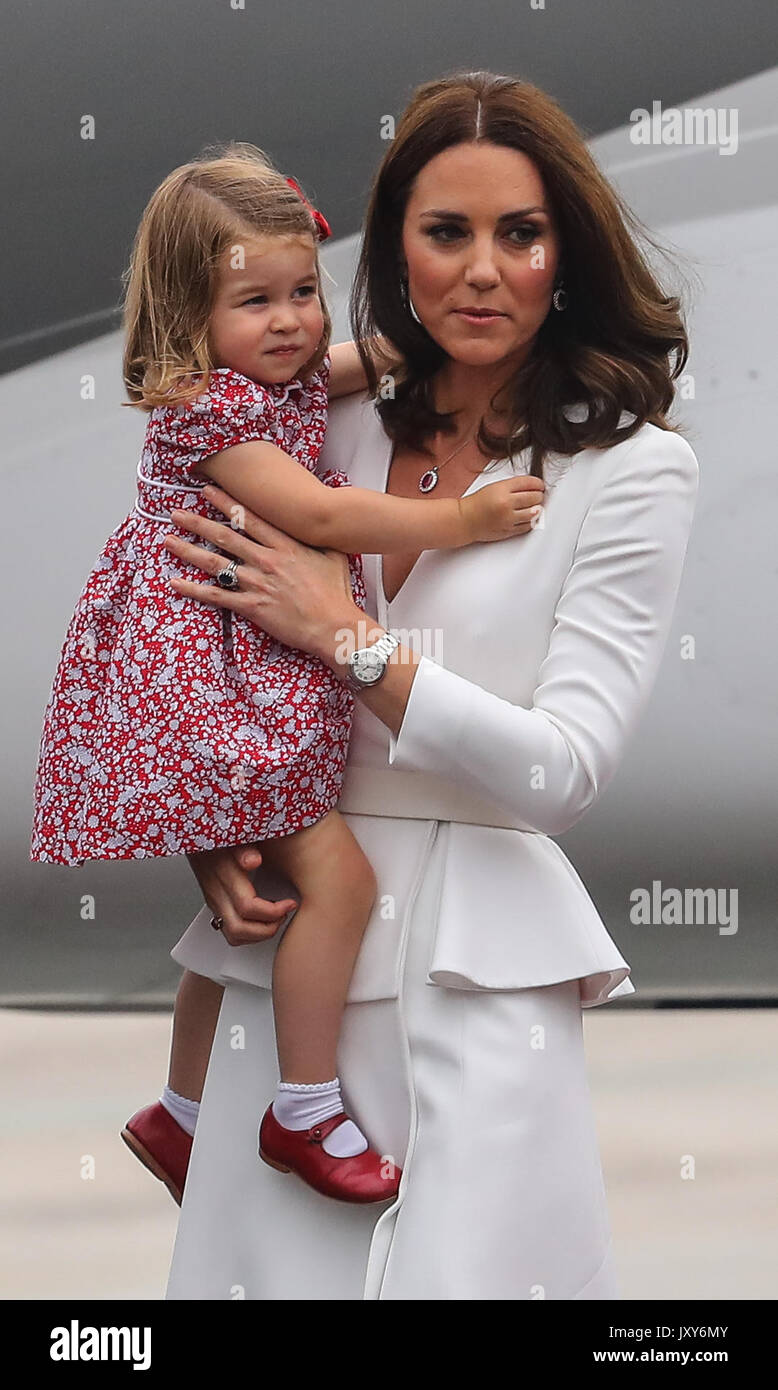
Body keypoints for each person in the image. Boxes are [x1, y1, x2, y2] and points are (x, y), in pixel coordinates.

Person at [163, 70, 699, 1300]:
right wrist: (217, 828)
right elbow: (188, 632)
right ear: (394, 246)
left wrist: (351, 641)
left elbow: (562, 769)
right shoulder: (315, 432)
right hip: (287, 947)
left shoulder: (628, 470)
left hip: (480, 976)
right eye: (444, 231)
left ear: (563, 250)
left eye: (519, 233)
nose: (480, 269)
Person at [29, 140, 543, 1206]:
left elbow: (358, 361)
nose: (294, 322)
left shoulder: (270, 371)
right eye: (256, 300)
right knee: (337, 883)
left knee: (246, 904)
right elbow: (314, 513)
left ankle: (175, 1114)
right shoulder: (211, 413)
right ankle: (302, 1108)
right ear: (185, 321)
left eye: (305, 289)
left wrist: (421, 341)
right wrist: (461, 517)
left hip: (222, 679)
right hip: (211, 691)